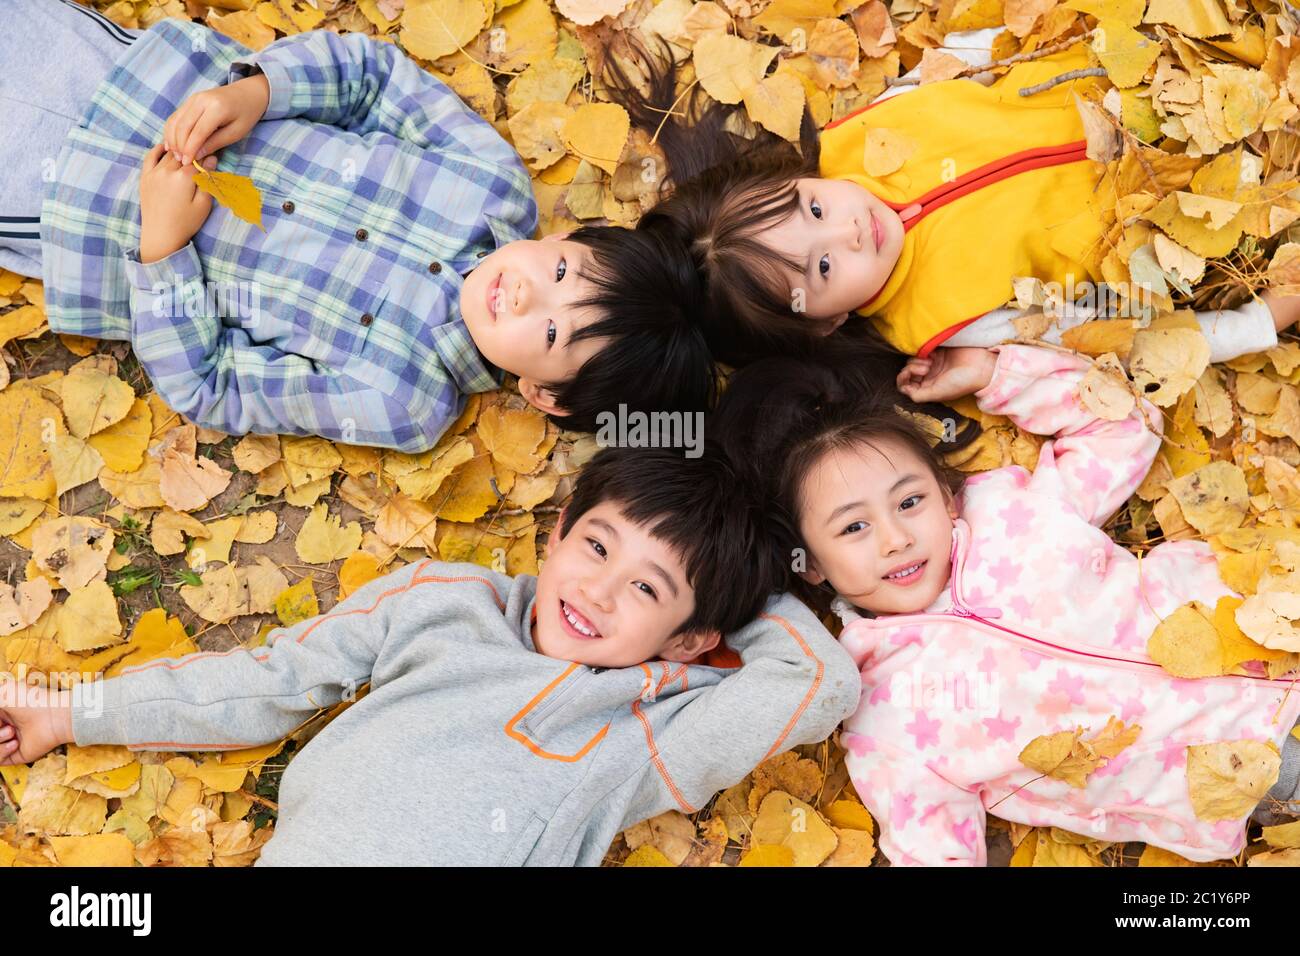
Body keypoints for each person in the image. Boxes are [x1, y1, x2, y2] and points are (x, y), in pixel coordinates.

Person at [0, 445, 861, 866]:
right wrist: (70, 712)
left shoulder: (648, 727)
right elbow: (272, 680)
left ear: (688, 637)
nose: (599, 592)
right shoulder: (445, 601)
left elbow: (818, 681)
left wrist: (747, 581)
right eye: (596, 548)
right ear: (556, 533)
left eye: (648, 589)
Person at [0, 3, 717, 452]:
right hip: (124, 77)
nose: (530, 295)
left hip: (71, 208)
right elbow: (370, 78)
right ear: (568, 239)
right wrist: (258, 92)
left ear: (545, 396)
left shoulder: (403, 401)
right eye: (562, 274)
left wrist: (164, 250)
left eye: (556, 334)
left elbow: (213, 388)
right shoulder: (489, 182)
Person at [712, 338, 1300, 865]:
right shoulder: (883, 718)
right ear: (811, 564)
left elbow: (1123, 422)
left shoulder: (1014, 512)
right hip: (1239, 768)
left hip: (1270, 622)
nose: (895, 538)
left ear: (946, 498)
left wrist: (995, 373)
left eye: (909, 502)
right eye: (853, 529)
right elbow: (934, 848)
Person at [614, 28, 1298, 367]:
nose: (847, 233)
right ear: (823, 325)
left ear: (795, 173)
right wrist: (1259, 321)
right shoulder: (947, 321)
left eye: (814, 209)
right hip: (1229, 201)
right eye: (821, 269)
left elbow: (973, 58)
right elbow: (1114, 333)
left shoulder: (866, 133)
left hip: (1156, 62)